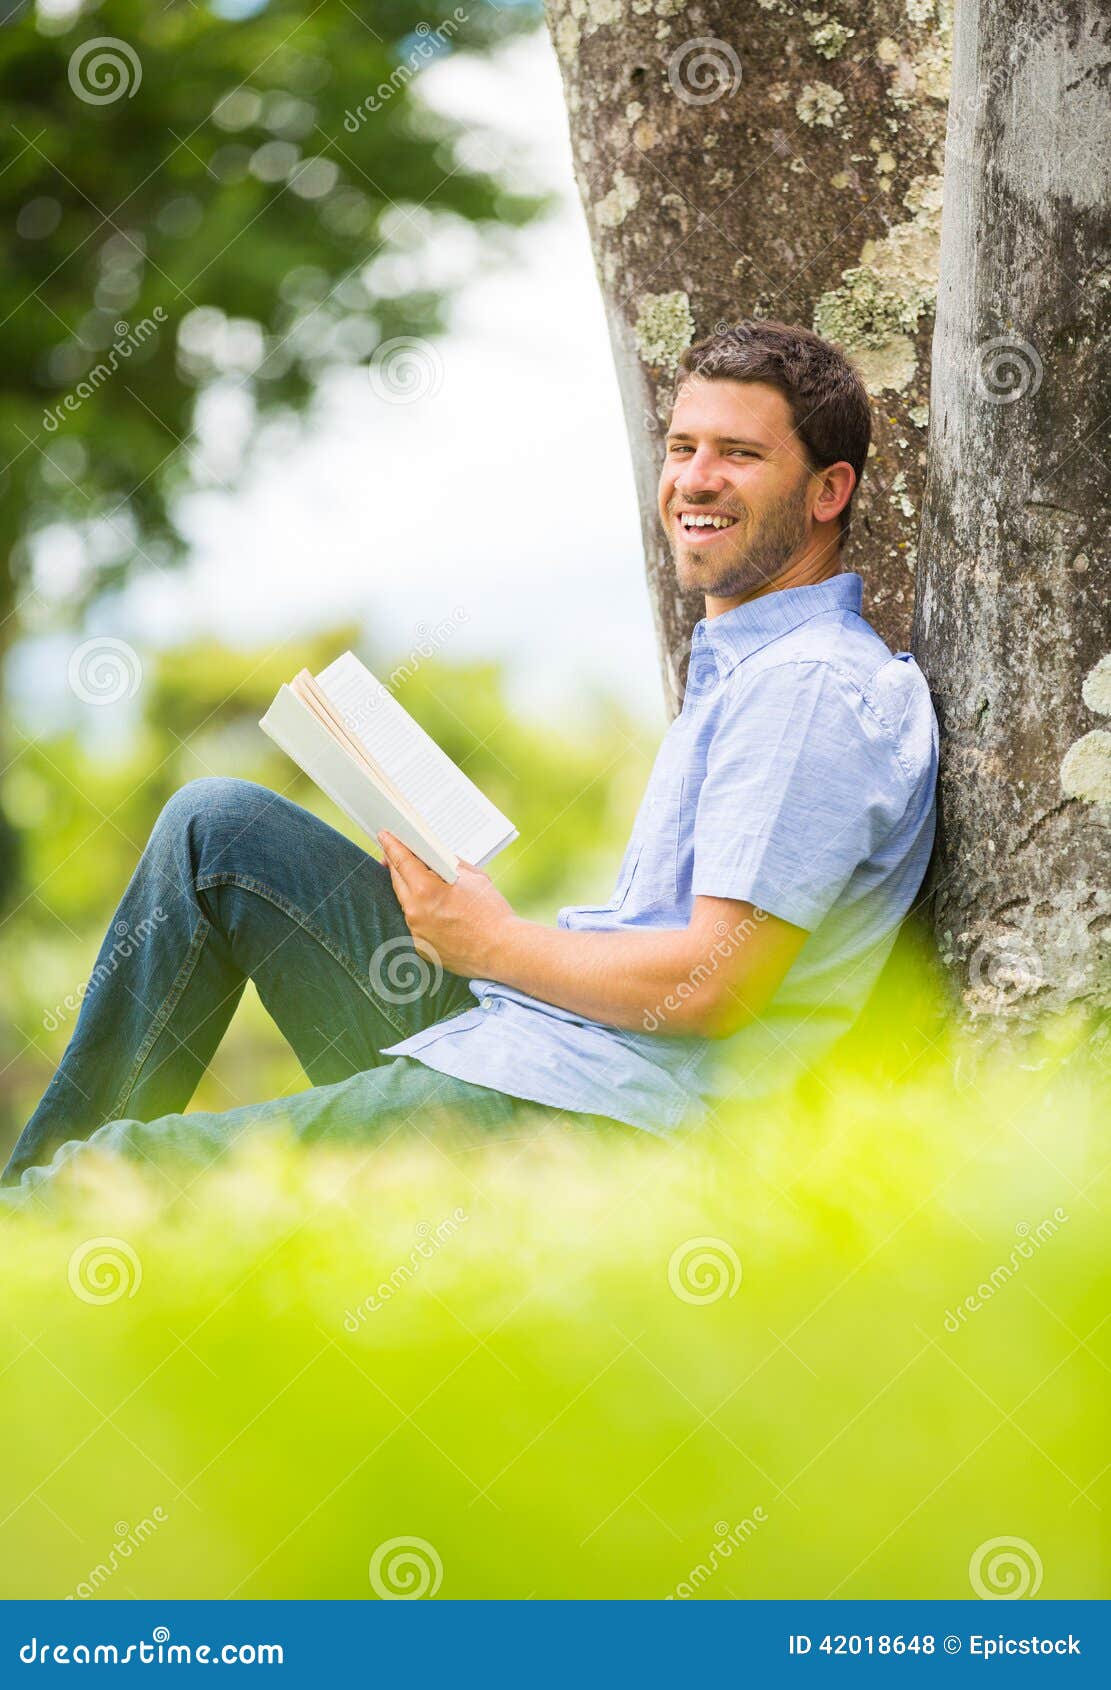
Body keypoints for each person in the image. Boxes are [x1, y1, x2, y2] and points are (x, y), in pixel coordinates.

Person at [2, 319, 937, 1201]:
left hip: (601, 1113)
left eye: (739, 454)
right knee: (219, 829)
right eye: (682, 447)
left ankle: (39, 1222)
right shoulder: (751, 670)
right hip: (532, 1045)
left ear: (828, 491)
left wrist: (490, 942)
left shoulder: (808, 686)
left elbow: (713, 983)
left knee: (139, 1171)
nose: (695, 479)